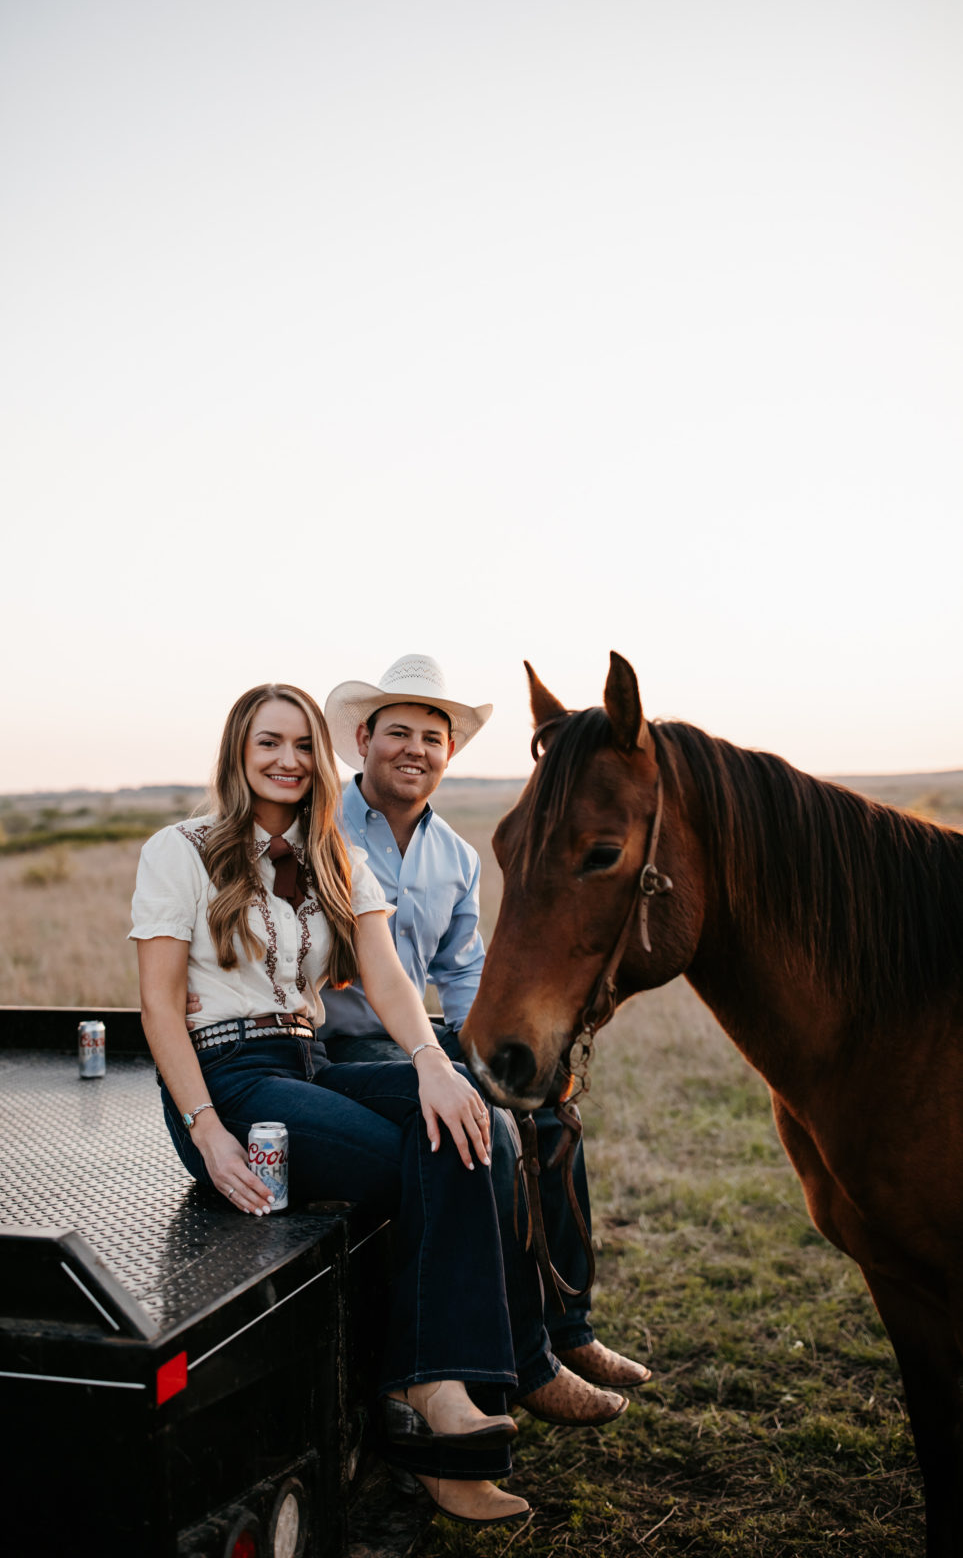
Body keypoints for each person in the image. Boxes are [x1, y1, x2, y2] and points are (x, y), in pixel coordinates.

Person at [130, 681, 529, 1527]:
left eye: (303, 745)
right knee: (406, 1160)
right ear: (239, 751)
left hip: (303, 1063)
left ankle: (441, 1386)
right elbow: (160, 1006)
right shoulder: (181, 848)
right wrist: (206, 1132)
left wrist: (429, 1059)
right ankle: (427, 1382)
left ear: (324, 757)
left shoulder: (333, 856)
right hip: (226, 1079)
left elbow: (386, 974)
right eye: (268, 742)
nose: (287, 760)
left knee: (467, 1121)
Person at [319, 654, 652, 1419]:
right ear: (362, 740)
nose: (414, 749)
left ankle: (570, 1327)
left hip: (427, 1038)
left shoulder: (456, 858)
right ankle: (524, 1360)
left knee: (550, 1117)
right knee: (489, 1129)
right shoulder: (323, 831)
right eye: (396, 732)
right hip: (346, 1047)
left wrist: (498, 1058)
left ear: (450, 753)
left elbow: (463, 970)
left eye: (431, 737)